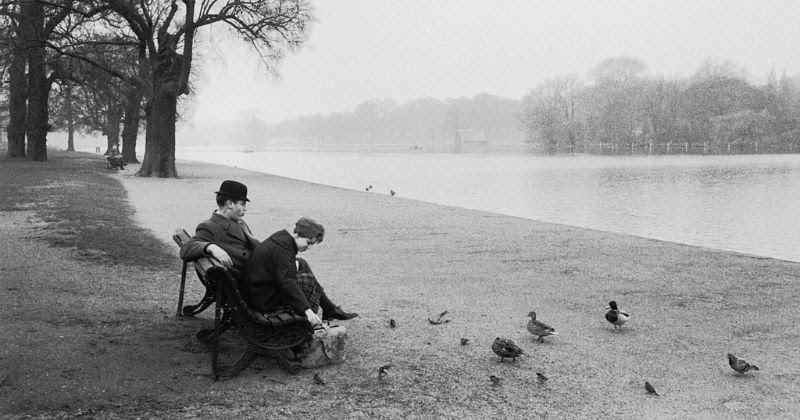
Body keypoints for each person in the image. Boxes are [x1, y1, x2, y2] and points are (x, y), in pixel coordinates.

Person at [244, 217, 358, 328]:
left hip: (258, 289)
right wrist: (307, 310)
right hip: (263, 299)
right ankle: (309, 323)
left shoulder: (282, 241)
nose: (308, 247)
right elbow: (287, 283)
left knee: (301, 262)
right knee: (308, 281)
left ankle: (329, 308)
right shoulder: (283, 251)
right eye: (308, 243)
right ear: (297, 235)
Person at [179, 180, 260, 277]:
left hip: (256, 272)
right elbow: (186, 249)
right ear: (230, 204)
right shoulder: (209, 227)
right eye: (242, 204)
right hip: (249, 280)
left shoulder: (238, 222)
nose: (245, 208)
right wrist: (210, 247)